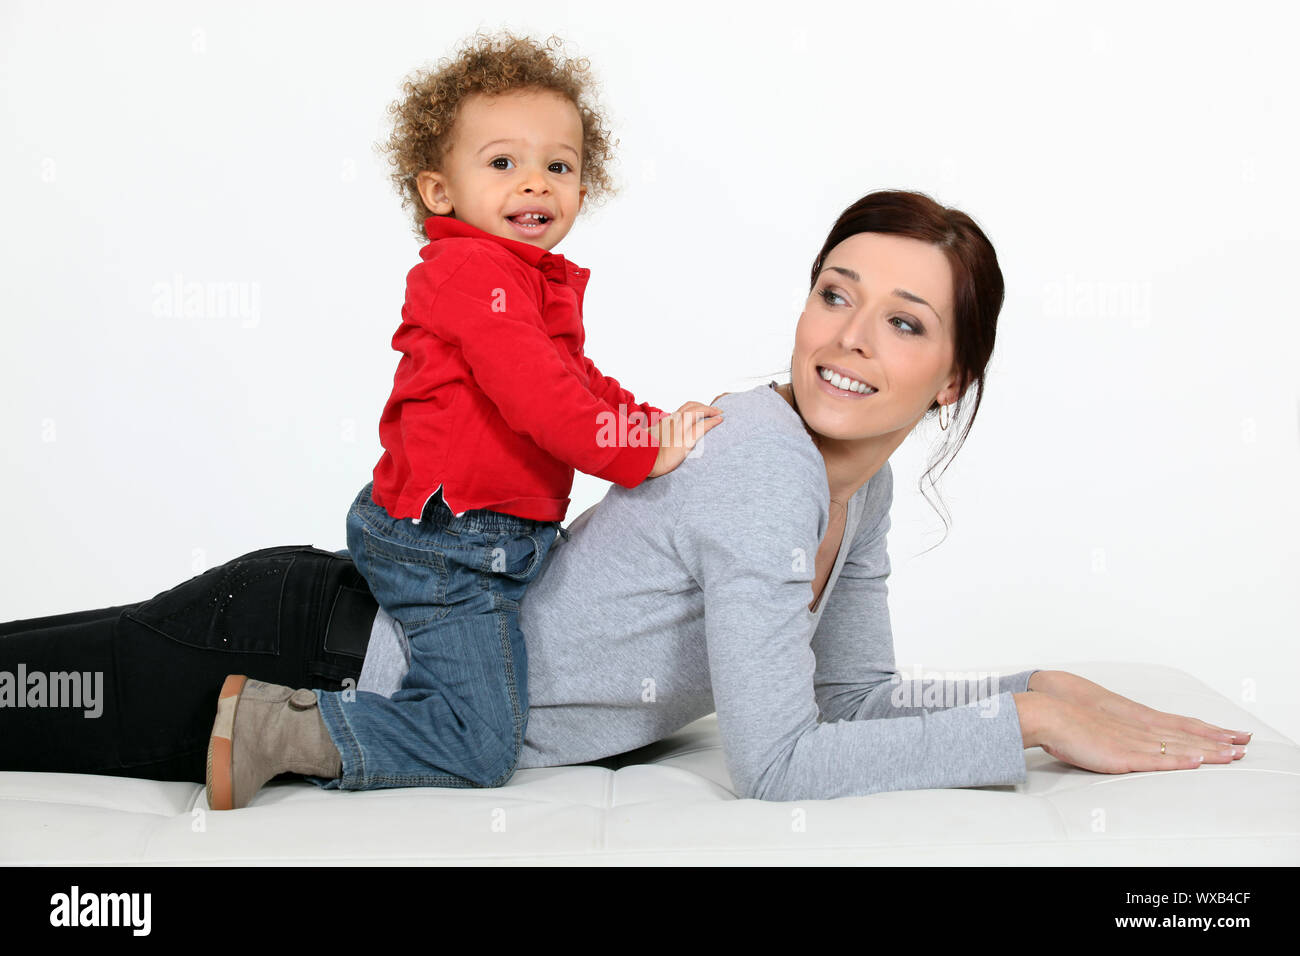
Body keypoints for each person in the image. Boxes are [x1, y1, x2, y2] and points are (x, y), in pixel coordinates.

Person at [0, 190, 1250, 803]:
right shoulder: (765, 459)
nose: (850, 335)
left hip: (328, 636)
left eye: (902, 320)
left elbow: (846, 701)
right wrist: (1020, 726)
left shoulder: (845, 499)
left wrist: (1034, 688)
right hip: (303, 649)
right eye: (835, 292)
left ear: (948, 379)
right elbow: (776, 761)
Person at [204, 32, 724, 810]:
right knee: (481, 742)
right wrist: (639, 451)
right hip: (445, 548)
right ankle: (282, 729)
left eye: (560, 165)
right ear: (440, 191)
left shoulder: (529, 281)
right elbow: (546, 404)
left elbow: (577, 381)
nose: (536, 185)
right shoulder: (471, 274)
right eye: (503, 163)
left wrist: (654, 423)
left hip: (488, 542)